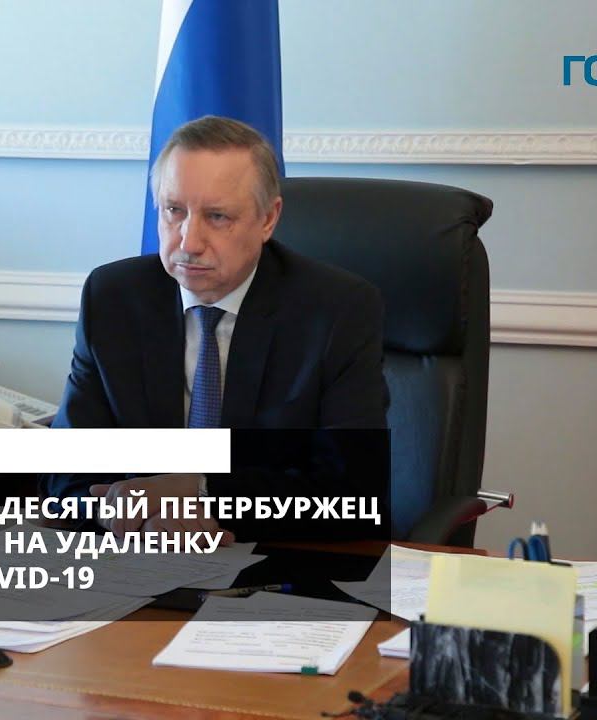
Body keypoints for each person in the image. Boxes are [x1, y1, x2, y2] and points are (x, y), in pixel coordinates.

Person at [44, 115, 388, 540]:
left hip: (277, 559)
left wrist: (204, 492)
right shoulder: (114, 297)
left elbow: (356, 490)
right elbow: (66, 472)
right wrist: (131, 514)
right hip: (138, 555)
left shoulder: (337, 310)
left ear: (268, 219)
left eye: (218, 216)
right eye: (174, 211)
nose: (188, 242)